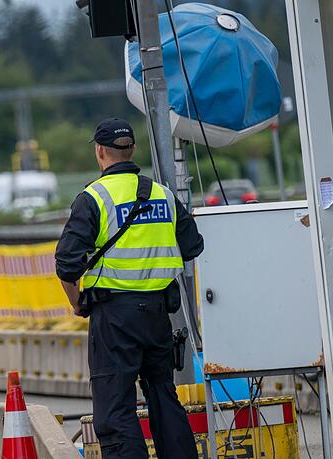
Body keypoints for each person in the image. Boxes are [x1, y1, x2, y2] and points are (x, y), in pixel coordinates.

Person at [55, 118, 204, 459]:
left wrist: (77, 302)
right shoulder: (162, 195)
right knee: (164, 397)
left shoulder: (93, 198)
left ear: (100, 152)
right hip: (157, 315)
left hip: (113, 317)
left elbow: (66, 264)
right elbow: (193, 245)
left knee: (115, 407)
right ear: (132, 150)